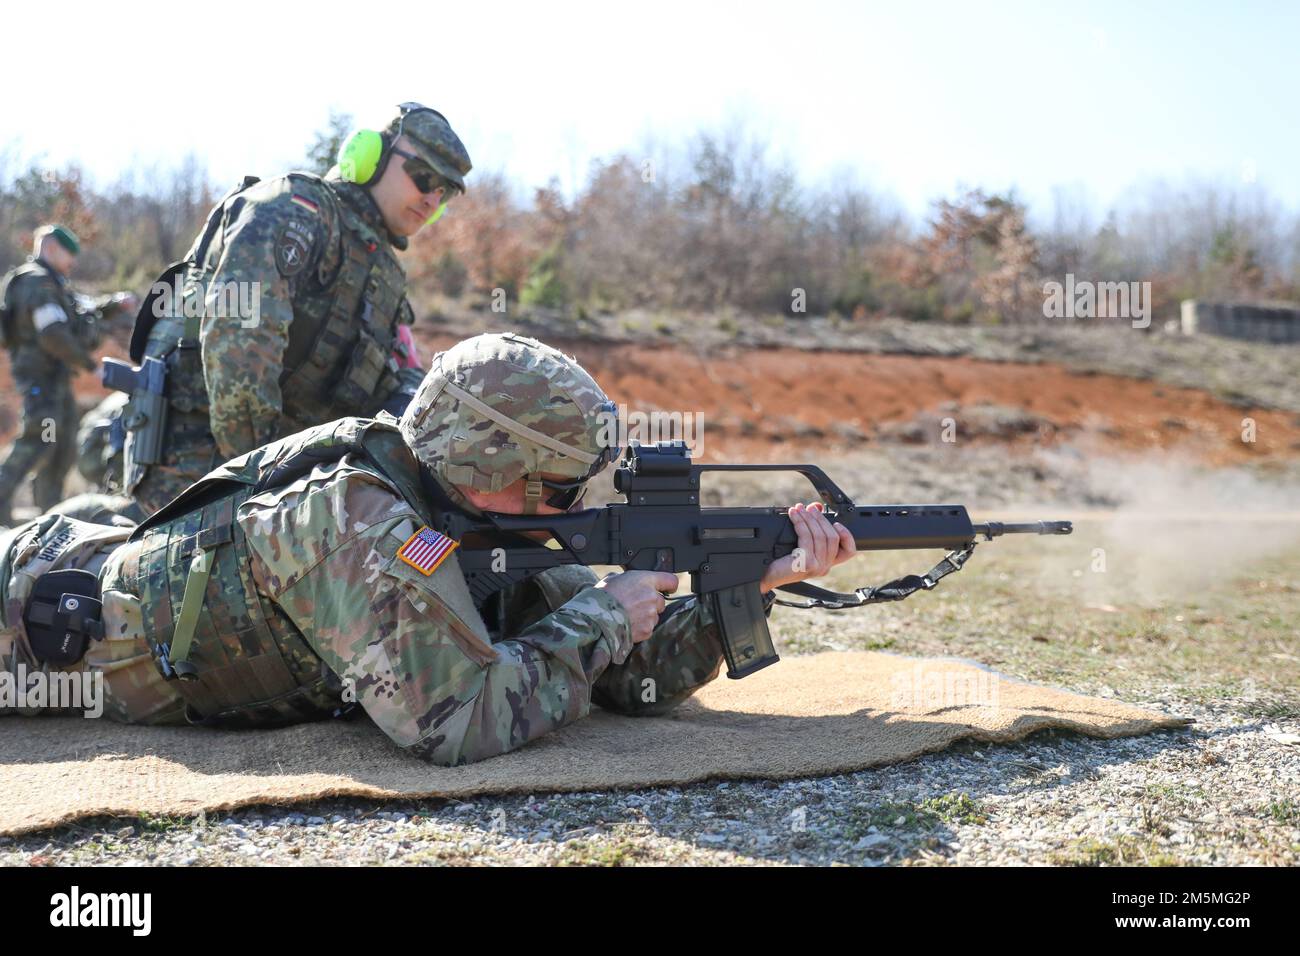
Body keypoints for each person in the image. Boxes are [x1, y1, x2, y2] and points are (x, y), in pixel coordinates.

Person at [0, 334, 858, 764]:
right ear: (496, 467)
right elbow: (454, 721)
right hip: (34, 615)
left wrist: (754, 580)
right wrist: (603, 612)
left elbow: (623, 677)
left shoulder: (467, 516)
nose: (567, 509)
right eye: (558, 487)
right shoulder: (361, 522)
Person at [120, 102, 471, 514]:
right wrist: (265, 485)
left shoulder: (383, 271)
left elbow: (399, 379)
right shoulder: (293, 209)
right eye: (424, 177)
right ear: (369, 155)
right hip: (203, 474)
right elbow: (240, 342)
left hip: (284, 484)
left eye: (444, 190)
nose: (431, 199)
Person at [0, 225, 136, 526]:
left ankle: (48, 517)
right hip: (40, 382)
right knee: (39, 441)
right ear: (50, 249)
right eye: (68, 253)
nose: (73, 260)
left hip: (56, 382)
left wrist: (113, 305)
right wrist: (91, 367)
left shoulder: (54, 283)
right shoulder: (37, 283)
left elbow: (77, 315)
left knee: (62, 448)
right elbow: (53, 335)